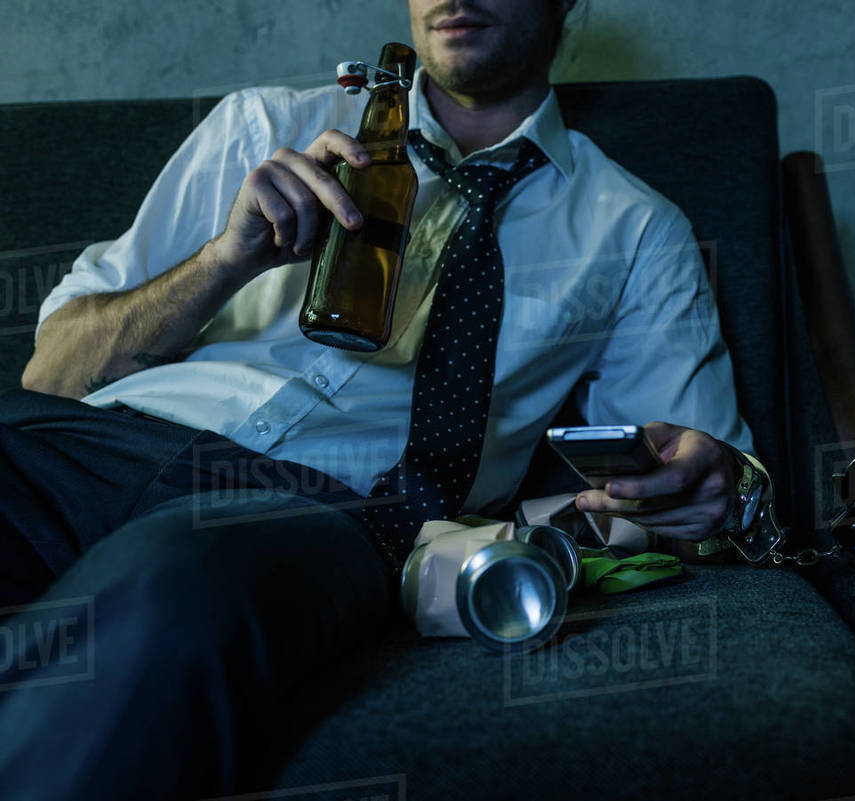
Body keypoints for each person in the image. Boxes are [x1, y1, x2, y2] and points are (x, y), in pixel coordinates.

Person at [0, 0, 768, 797]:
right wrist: (222, 262)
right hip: (83, 446)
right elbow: (49, 374)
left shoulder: (636, 230)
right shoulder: (262, 124)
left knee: (173, 587)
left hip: (306, 508)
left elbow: (697, 486)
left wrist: (704, 486)